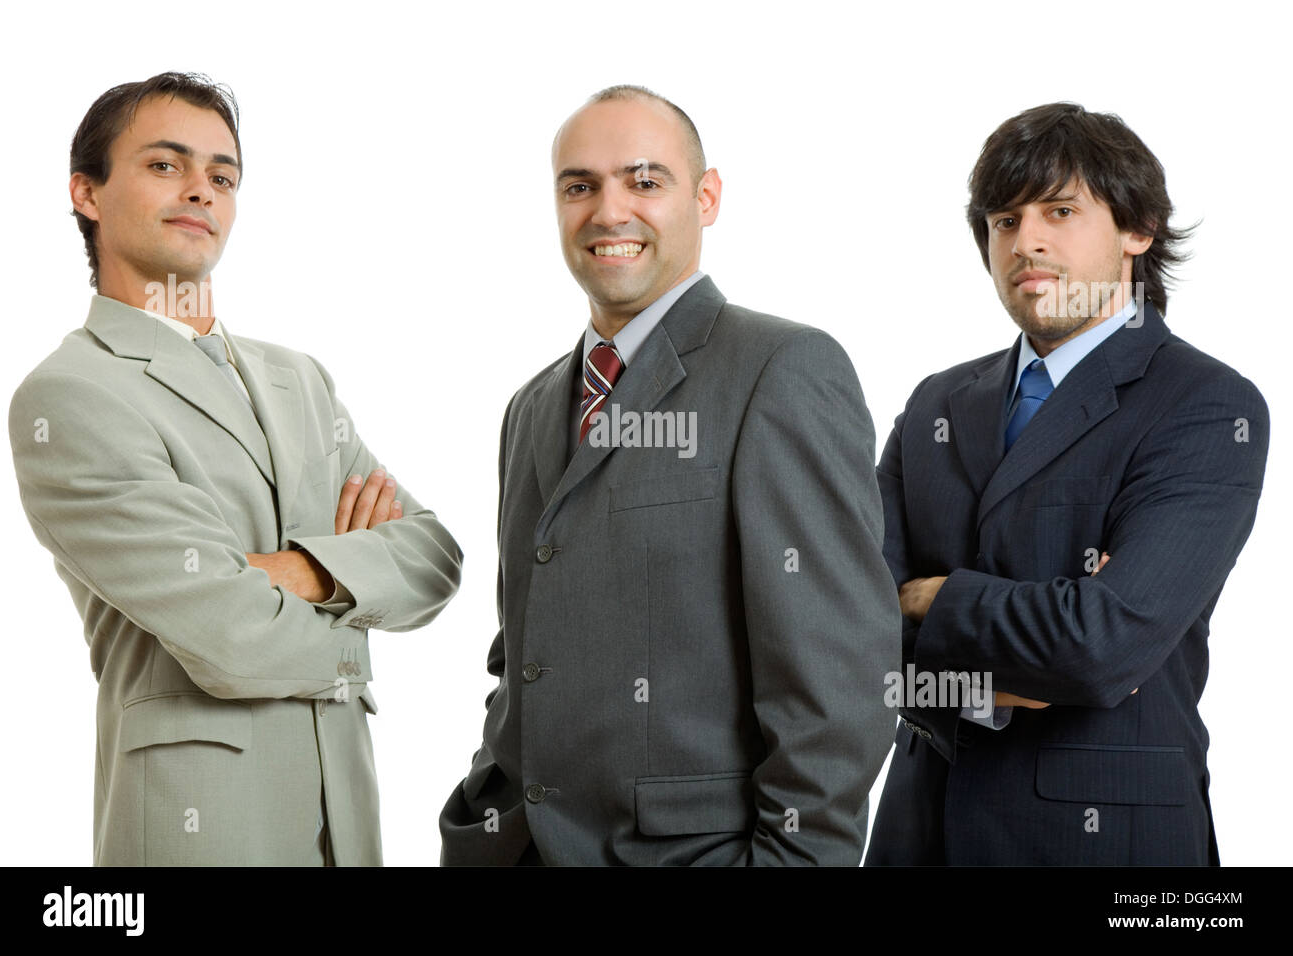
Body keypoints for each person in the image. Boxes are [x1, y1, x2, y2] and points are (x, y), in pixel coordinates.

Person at [7, 72, 463, 866]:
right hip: (202, 834)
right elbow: (233, 636)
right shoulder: (72, 395)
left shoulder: (299, 379)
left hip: (347, 832)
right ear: (86, 192)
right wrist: (356, 608)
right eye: (165, 165)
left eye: (222, 175)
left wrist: (299, 572)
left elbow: (432, 557)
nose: (200, 191)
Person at [438, 84, 900, 866]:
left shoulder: (781, 370)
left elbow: (836, 677)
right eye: (579, 186)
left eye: (644, 181)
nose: (609, 211)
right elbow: (521, 649)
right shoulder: (531, 407)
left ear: (707, 196)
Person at [864, 102, 1269, 865]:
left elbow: (1099, 644)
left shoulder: (1207, 406)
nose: (1028, 242)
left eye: (1060, 211)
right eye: (1004, 220)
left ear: (1137, 229)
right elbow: (843, 632)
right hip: (920, 834)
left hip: (1105, 844)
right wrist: (985, 674)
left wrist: (929, 597)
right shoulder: (936, 403)